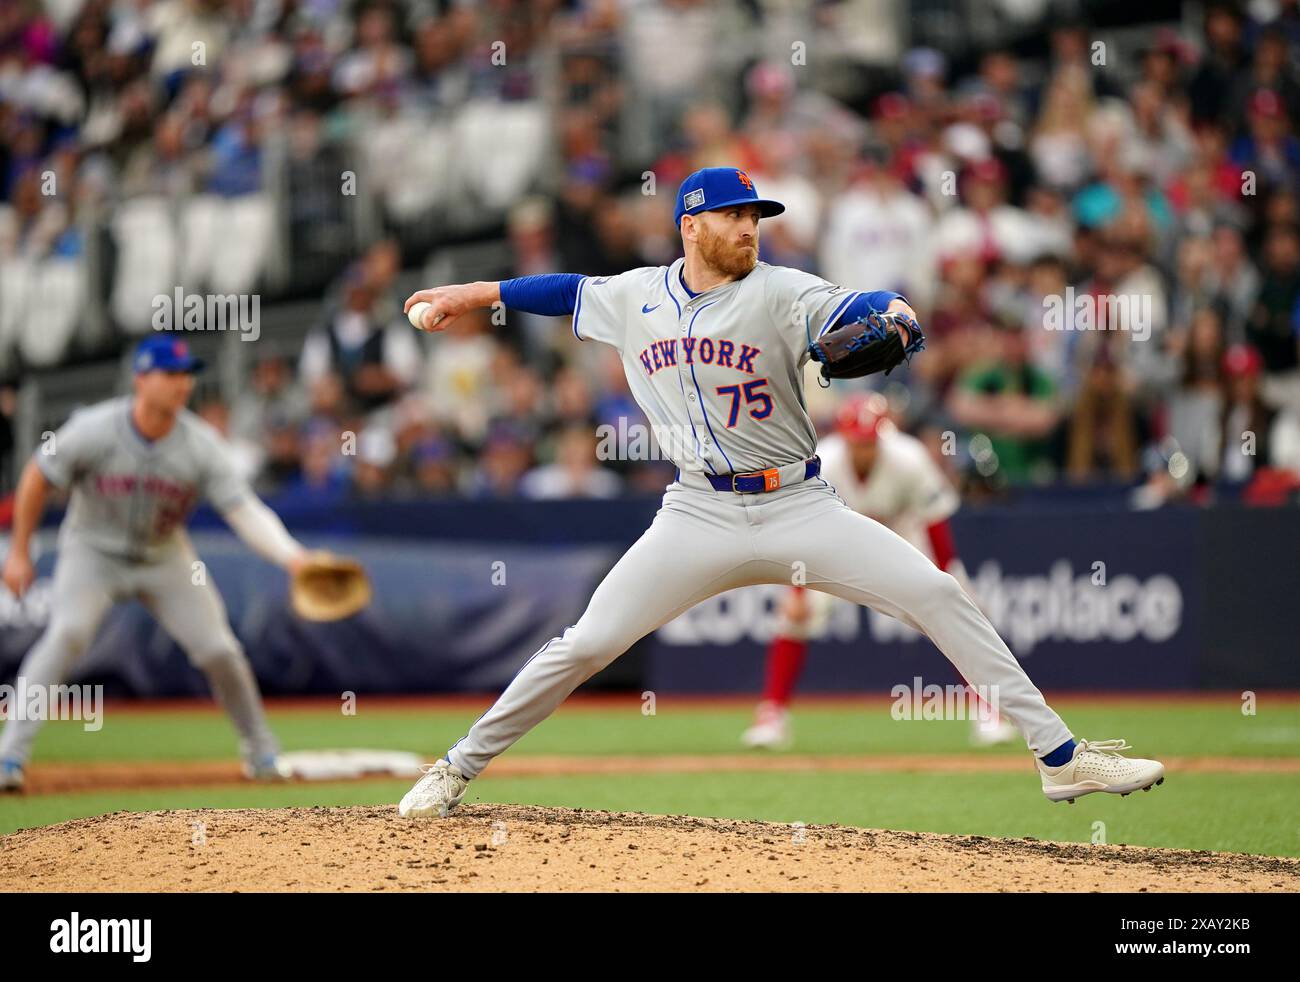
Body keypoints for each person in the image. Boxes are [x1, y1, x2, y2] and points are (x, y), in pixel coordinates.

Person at [397, 167, 1165, 818]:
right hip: (696, 511)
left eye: (756, 217)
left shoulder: (780, 291)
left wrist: (891, 311)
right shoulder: (633, 296)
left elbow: (851, 308)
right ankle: (457, 767)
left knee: (938, 592)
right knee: (589, 644)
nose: (750, 228)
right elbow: (562, 290)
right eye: (734, 216)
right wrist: (472, 293)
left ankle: (1059, 755)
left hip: (798, 505)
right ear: (691, 225)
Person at [0, 335, 313, 791]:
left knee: (218, 649)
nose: (182, 384)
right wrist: (20, 551)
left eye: (187, 375)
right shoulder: (95, 427)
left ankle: (261, 751)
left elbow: (244, 511)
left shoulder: (201, 444)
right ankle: (10, 757)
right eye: (170, 374)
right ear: (141, 379)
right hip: (92, 550)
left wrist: (293, 557)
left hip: (164, 555)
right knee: (67, 633)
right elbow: (36, 476)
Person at [741, 392, 1018, 751]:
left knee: (961, 611)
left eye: (870, 442)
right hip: (838, 544)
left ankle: (989, 711)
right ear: (844, 437)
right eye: (857, 442)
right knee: (794, 615)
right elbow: (803, 530)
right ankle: (772, 716)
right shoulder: (823, 461)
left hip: (903, 534)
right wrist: (797, 591)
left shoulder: (908, 457)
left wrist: (951, 579)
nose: (865, 450)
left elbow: (934, 525)